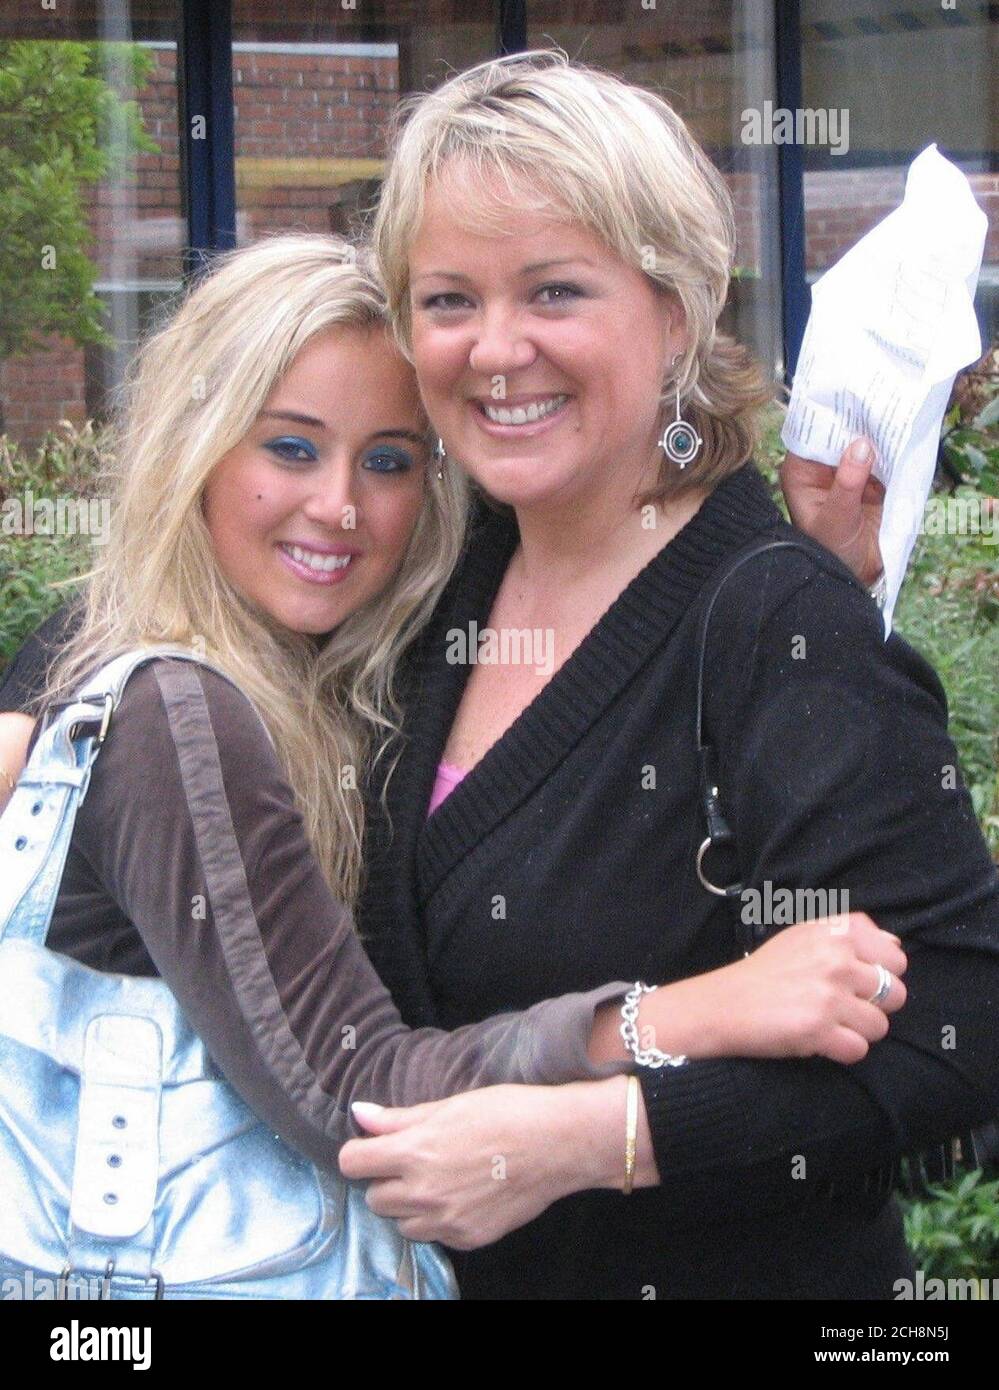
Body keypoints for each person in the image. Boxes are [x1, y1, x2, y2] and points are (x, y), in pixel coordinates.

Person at [0, 232, 911, 1287]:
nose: (340, 506)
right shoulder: (177, 714)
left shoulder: (356, 670)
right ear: (193, 443)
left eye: (389, 460)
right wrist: (684, 1012)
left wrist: (815, 589)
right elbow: (365, 1088)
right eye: (289, 448)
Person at [311, 51, 999, 1300]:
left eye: (556, 290)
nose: (496, 348)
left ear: (676, 310)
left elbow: (959, 1034)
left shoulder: (775, 621)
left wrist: (590, 1140)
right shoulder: (431, 584)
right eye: (448, 299)